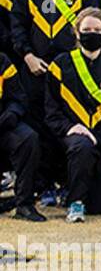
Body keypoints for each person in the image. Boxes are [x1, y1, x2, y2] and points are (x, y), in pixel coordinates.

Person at [11, 0, 97, 201]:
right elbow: (18, 27)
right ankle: (43, 183)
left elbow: (91, 26)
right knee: (39, 127)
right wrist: (27, 56)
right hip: (35, 68)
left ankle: (67, 182)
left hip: (72, 72)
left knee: (70, 125)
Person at [45, 8, 101, 221]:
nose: (91, 33)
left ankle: (81, 193)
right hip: (68, 136)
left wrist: (99, 137)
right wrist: (70, 128)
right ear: (76, 33)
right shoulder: (60, 66)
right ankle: (75, 204)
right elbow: (51, 110)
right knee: (81, 146)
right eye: (86, 29)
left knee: (100, 207)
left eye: (96, 29)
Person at [0, 49, 42, 221]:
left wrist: (9, 115)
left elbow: (17, 97)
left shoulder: (2, 61)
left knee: (27, 138)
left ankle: (24, 204)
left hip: (2, 125)